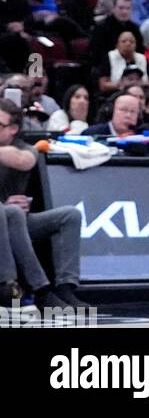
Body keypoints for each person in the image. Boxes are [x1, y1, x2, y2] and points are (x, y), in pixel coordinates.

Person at [0, 99, 83, 309]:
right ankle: (19, 288)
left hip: (15, 222)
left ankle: (65, 288)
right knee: (8, 211)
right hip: (8, 215)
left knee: (70, 215)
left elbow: (24, 160)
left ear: (13, 129)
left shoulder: (24, 148)